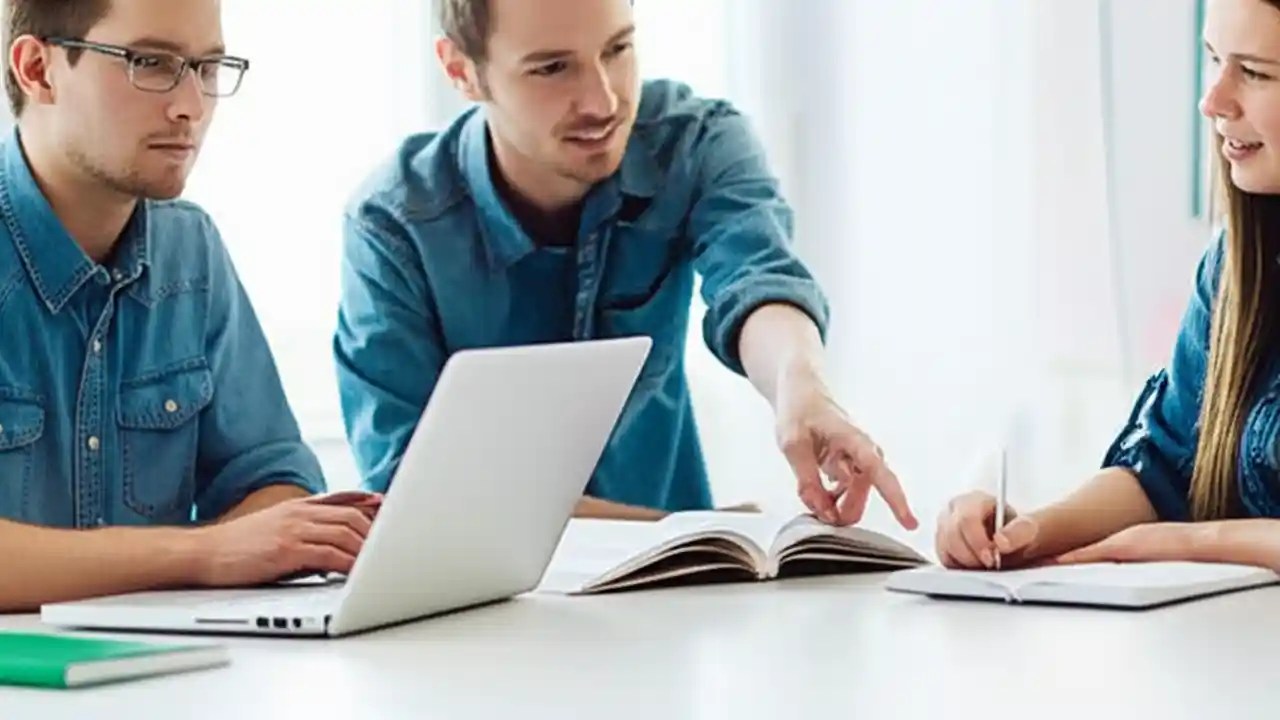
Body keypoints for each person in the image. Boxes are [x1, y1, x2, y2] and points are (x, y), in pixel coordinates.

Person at [334, 0, 918, 528]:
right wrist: (678, 532)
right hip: (482, 602)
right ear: (461, 70)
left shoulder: (694, 141)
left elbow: (756, 275)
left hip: (674, 590)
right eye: (552, 68)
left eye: (617, 50)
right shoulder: (393, 224)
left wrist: (801, 389)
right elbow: (410, 491)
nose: (604, 102)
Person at [0, 0, 378, 612]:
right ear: (38, 70)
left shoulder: (189, 250)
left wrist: (256, 541)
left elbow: (277, 485)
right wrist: (204, 554)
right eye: (149, 62)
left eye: (206, 68)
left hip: (168, 662)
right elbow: (229, 547)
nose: (192, 108)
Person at [936, 0, 1280, 571]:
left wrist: (1193, 541)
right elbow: (1163, 470)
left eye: (1255, 72)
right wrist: (1025, 533)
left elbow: (1173, 526)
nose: (1213, 101)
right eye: (1214, 60)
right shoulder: (1234, 268)